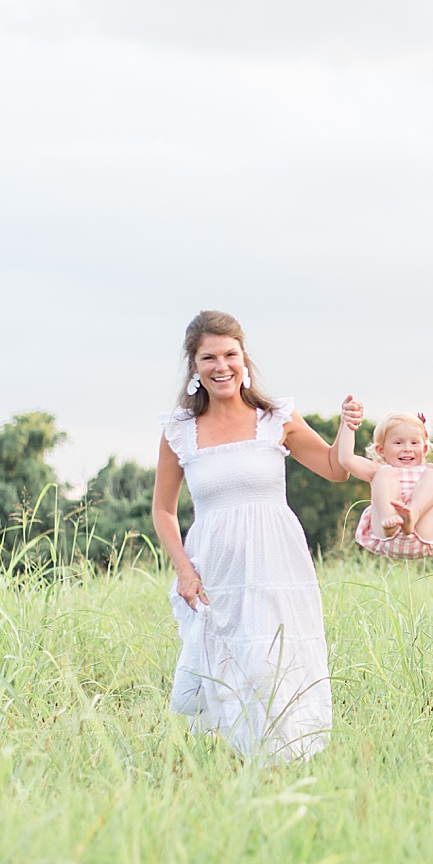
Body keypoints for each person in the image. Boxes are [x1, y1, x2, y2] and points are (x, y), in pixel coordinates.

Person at [151, 310, 360, 765]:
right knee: (224, 665)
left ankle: (282, 762)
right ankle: (231, 764)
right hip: (213, 568)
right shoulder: (179, 432)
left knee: (274, 660)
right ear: (194, 367)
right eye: (209, 357)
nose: (221, 366)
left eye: (230, 354)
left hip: (275, 563)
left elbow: (334, 469)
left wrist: (348, 426)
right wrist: (184, 572)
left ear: (244, 359)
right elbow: (163, 509)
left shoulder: (276, 418)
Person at [332, 399, 433, 559]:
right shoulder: (379, 471)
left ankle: (413, 514)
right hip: (386, 533)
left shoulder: (428, 472)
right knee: (385, 473)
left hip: (424, 532)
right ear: (381, 450)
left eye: (414, 443)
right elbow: (346, 459)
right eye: (398, 443)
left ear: (425, 448)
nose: (407, 449)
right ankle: (390, 517)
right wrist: (348, 424)